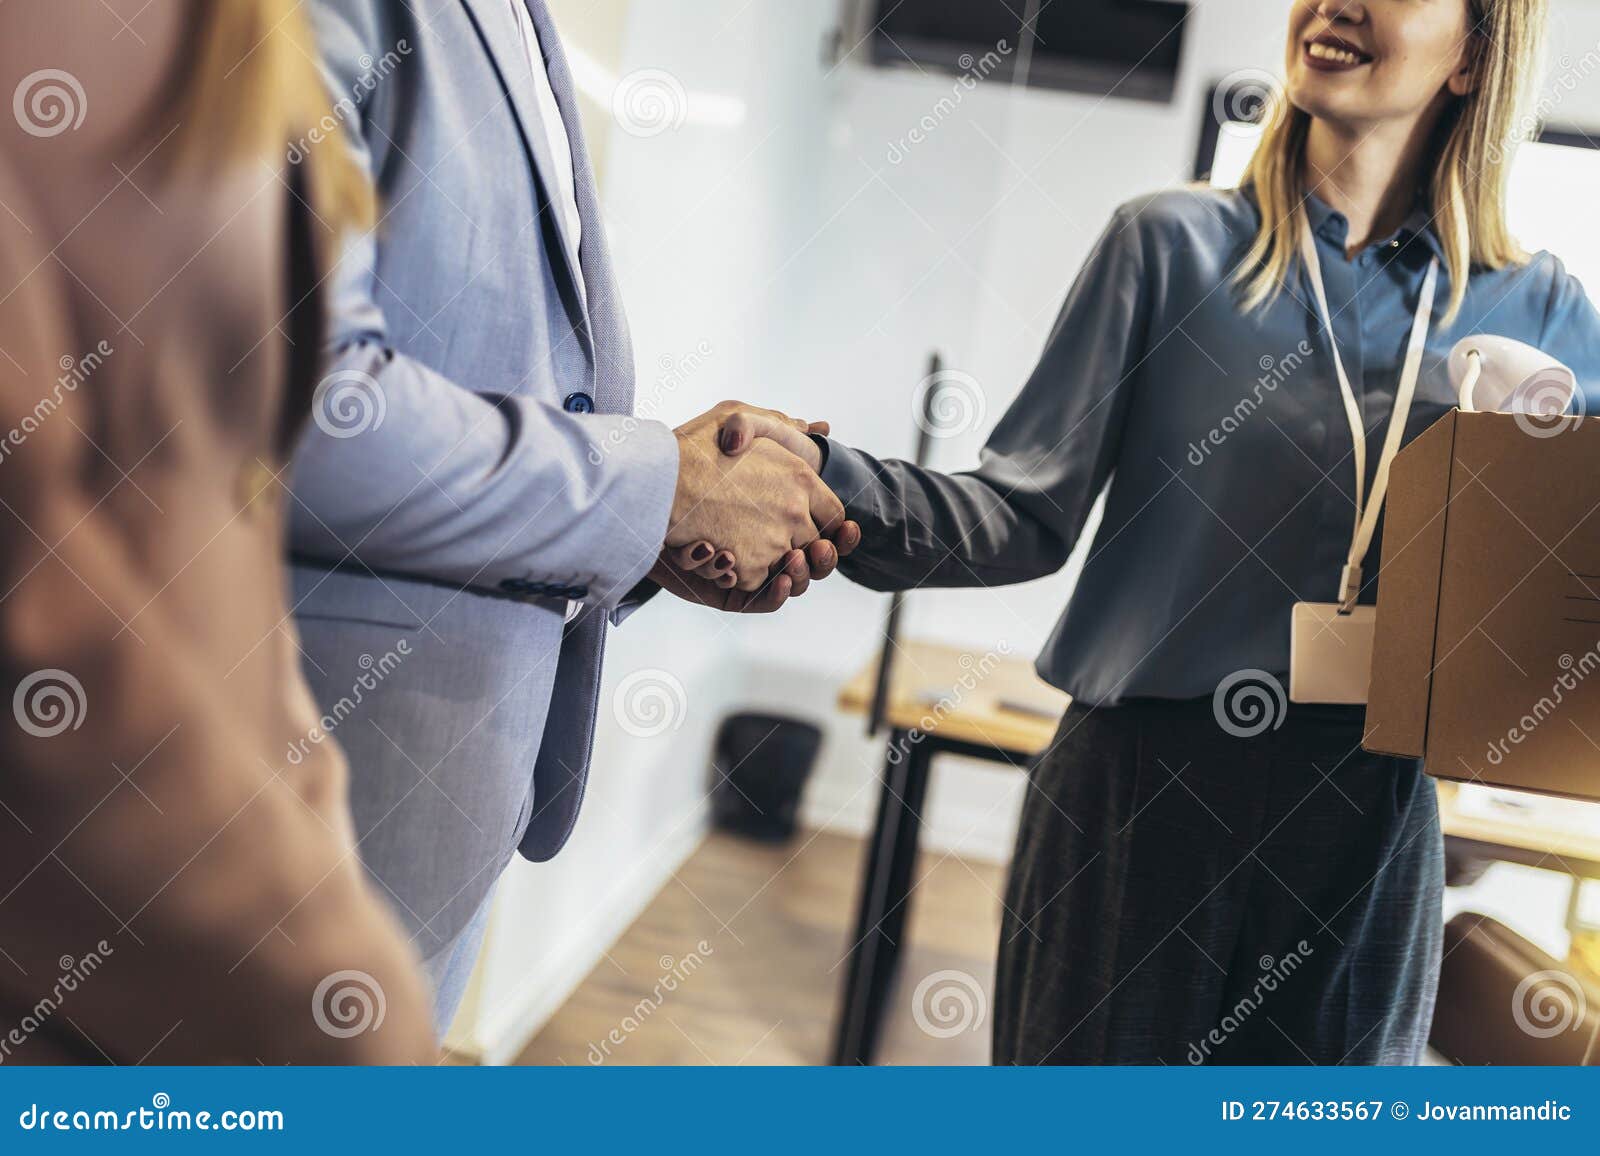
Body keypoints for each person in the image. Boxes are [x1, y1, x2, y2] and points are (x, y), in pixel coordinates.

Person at [723, 0, 1600, 1063]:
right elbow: (1021, 510)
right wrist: (821, 486)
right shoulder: (1167, 246)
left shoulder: (1541, 313)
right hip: (1137, 805)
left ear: (1472, 53)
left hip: (1364, 821)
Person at [292, 0, 859, 1030]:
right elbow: (298, 411)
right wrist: (659, 490)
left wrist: (649, 540)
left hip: (439, 831)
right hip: (282, 825)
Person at [0, 0, 433, 1062]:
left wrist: (306, 826)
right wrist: (329, 982)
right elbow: (27, 569)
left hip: (217, 943)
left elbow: (228, 495)